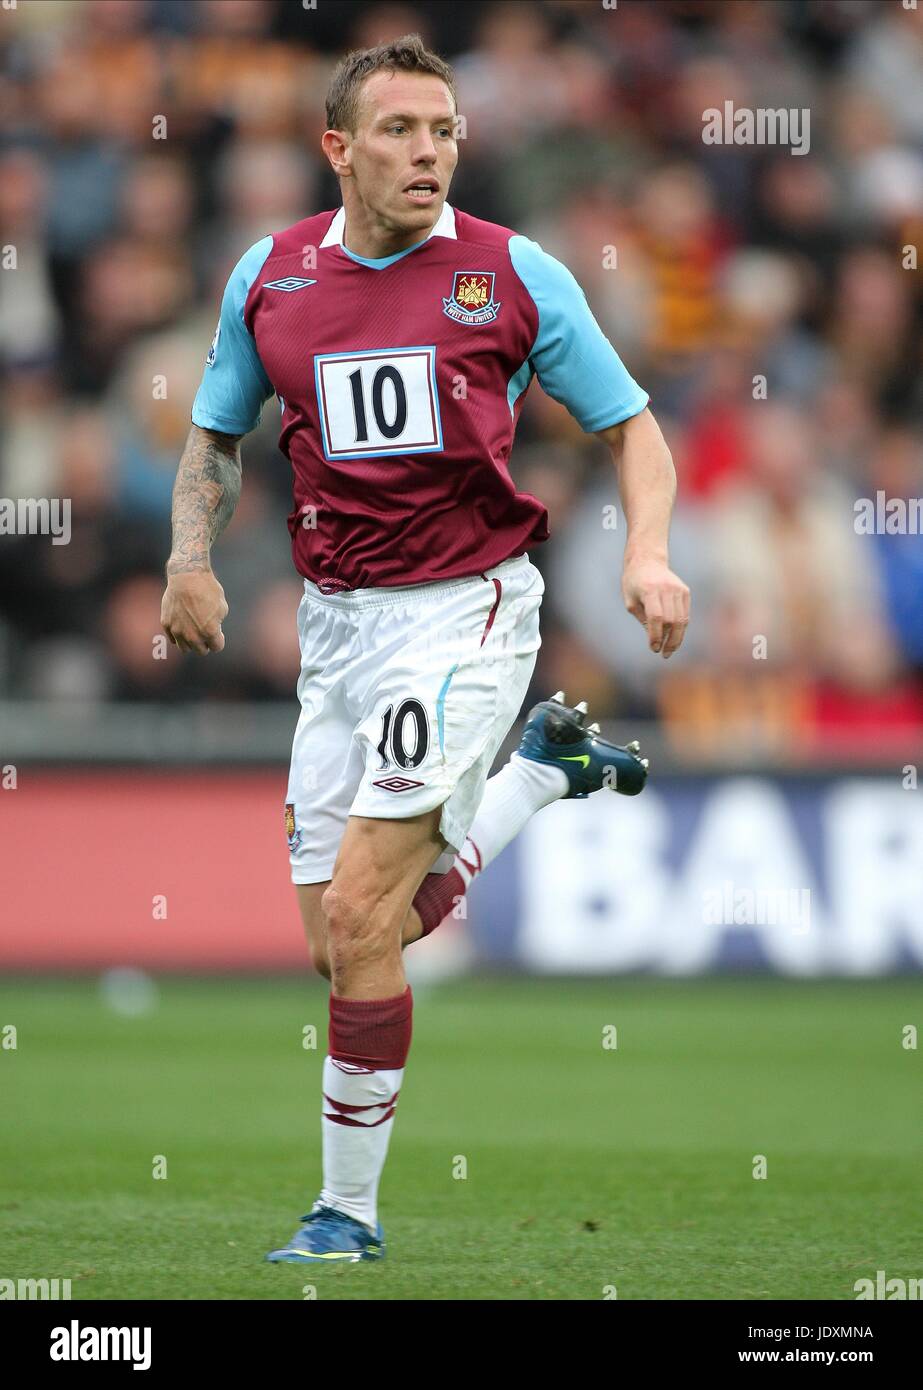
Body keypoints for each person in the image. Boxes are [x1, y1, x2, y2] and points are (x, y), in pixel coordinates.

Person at [160, 34, 689, 1265]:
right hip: (336, 629)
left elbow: (631, 428)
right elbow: (214, 437)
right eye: (399, 131)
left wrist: (647, 553)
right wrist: (189, 562)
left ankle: (344, 1212)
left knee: (359, 910)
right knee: (344, 942)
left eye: (443, 130)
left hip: (467, 612)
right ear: (337, 149)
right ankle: (542, 774)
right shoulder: (270, 274)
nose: (429, 153)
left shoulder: (512, 274)